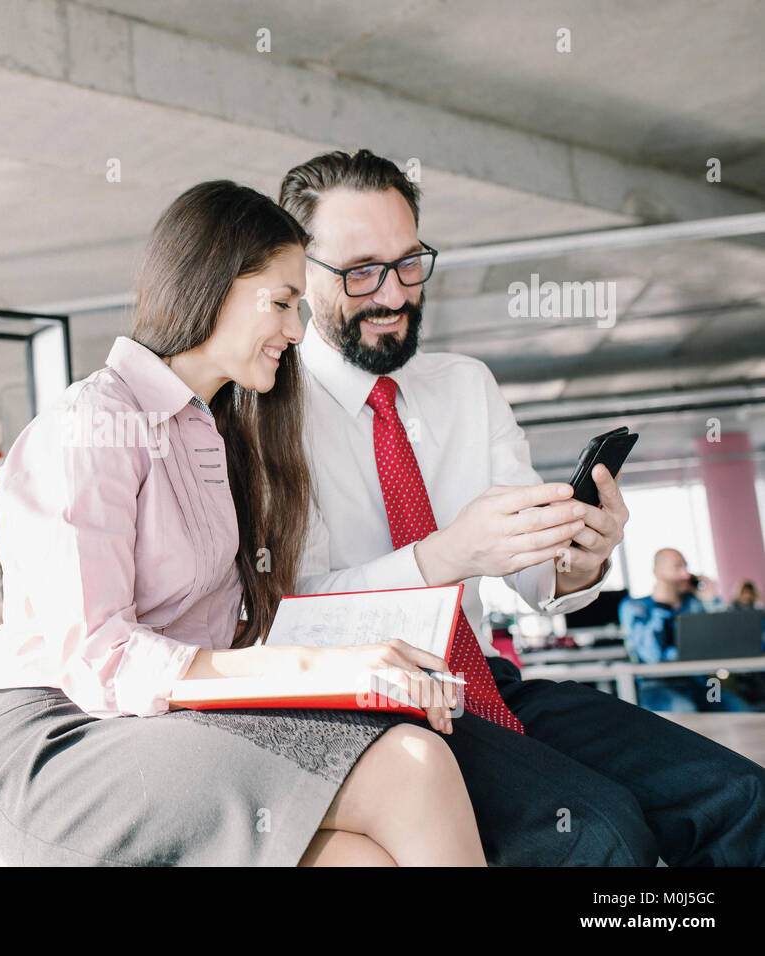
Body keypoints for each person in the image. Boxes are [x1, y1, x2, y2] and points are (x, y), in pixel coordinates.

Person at [0, 180, 485, 866]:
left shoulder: (219, 434)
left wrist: (354, 668)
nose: (298, 331)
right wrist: (313, 665)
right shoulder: (94, 422)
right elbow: (101, 660)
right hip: (69, 746)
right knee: (412, 765)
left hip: (175, 733)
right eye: (280, 302)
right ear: (206, 287)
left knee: (365, 855)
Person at [280, 148, 765, 866]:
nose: (393, 294)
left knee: (741, 799)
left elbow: (533, 574)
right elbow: (287, 611)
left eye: (409, 263)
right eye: (360, 272)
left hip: (485, 680)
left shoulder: (465, 386)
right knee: (597, 838)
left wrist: (576, 559)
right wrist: (447, 555)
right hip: (368, 706)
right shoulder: (266, 410)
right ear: (298, 273)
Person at [619, 549, 755, 712]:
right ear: (657, 573)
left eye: (686, 567)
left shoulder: (694, 603)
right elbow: (651, 656)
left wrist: (711, 601)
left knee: (738, 709)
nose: (685, 574)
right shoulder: (634, 607)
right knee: (684, 711)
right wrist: (662, 607)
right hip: (658, 685)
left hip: (703, 684)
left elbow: (725, 641)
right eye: (677, 568)